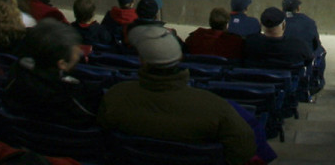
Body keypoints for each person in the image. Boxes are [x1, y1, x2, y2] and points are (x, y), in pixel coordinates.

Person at [99, 25, 257, 163]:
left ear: (141, 60)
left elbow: (103, 135)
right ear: (180, 58)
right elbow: (244, 150)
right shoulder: (216, 108)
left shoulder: (115, 96)